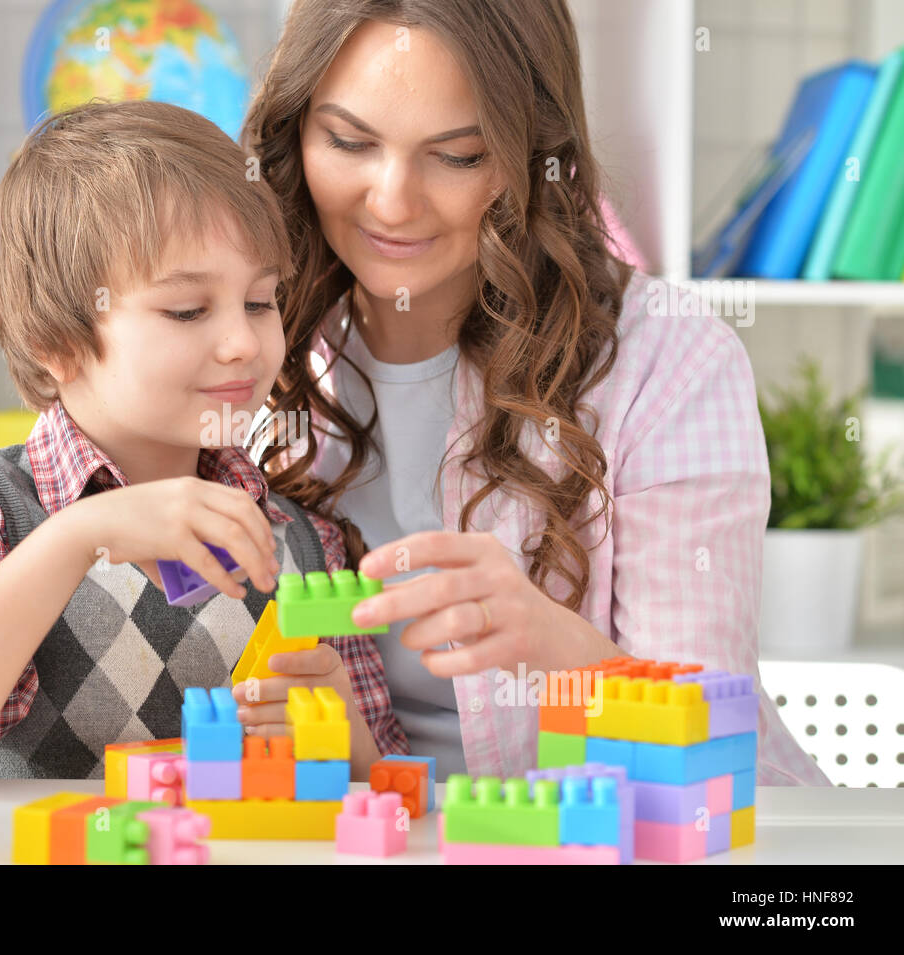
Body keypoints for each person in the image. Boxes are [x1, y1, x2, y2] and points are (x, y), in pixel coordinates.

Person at [237, 0, 829, 786]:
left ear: (533, 153)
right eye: (349, 141)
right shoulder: (254, 343)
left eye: (457, 155)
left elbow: (710, 751)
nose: (390, 201)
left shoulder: (669, 360)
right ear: (295, 132)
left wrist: (559, 644)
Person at [0, 100, 403, 788]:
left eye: (260, 301)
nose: (243, 343)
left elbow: (392, 796)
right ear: (57, 343)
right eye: (187, 309)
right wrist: (79, 535)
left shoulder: (306, 544)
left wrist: (345, 742)